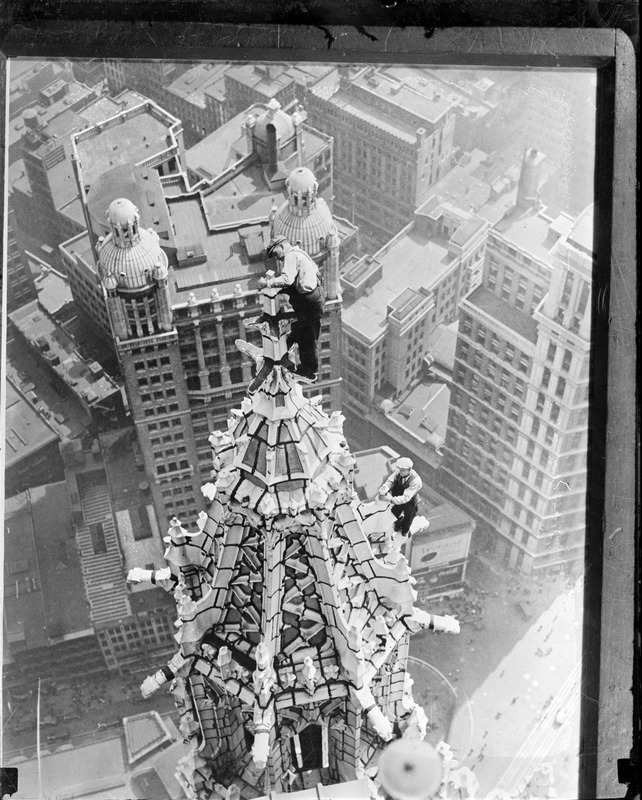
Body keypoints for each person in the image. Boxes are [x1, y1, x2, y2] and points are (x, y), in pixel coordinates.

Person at [258, 235, 325, 381]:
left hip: (309, 302)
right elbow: (316, 273)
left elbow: (287, 279)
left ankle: (309, 370)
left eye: (276, 254)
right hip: (313, 298)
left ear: (281, 246)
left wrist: (267, 284)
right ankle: (286, 348)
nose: (277, 259)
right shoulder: (301, 253)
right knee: (303, 330)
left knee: (308, 337)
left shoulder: (291, 256)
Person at [378, 457, 422, 535]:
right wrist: (385, 487)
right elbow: (391, 480)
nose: (401, 472)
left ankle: (405, 531)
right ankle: (397, 525)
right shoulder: (399, 471)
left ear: (409, 469)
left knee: (408, 517)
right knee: (393, 513)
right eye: (400, 469)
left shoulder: (416, 481)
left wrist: (390, 499)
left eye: (403, 470)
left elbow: (406, 498)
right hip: (399, 497)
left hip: (410, 501)